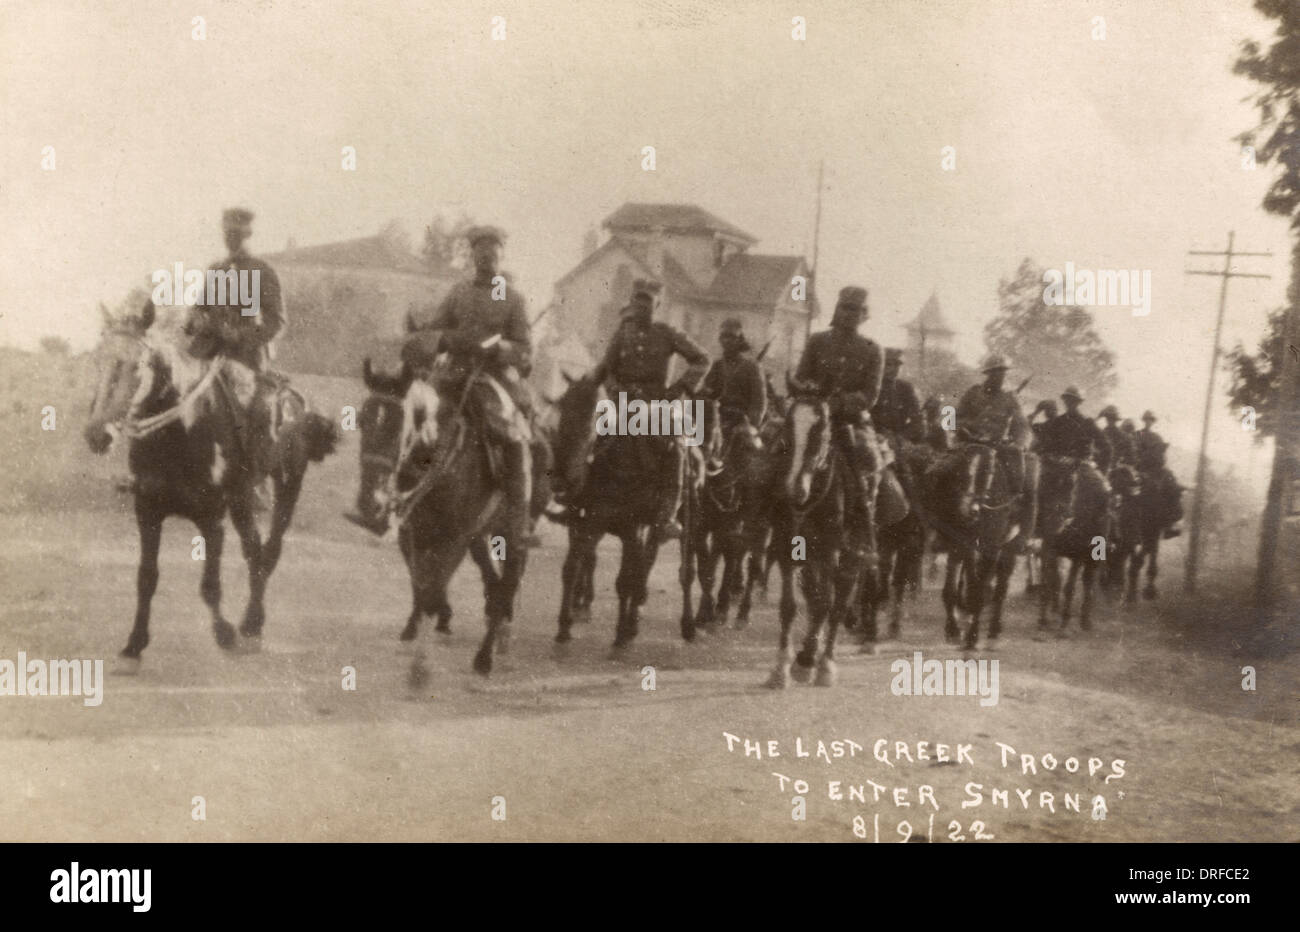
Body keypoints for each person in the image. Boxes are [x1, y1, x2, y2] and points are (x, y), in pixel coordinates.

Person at [403, 225, 533, 542]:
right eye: (481, 252)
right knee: (417, 417)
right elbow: (434, 330)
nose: (487, 258)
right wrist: (437, 339)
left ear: (502, 256)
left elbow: (525, 350)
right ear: (472, 255)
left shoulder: (512, 298)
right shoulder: (458, 292)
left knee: (510, 434)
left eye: (493, 252)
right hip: (453, 375)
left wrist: (498, 349)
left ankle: (518, 516)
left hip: (493, 379)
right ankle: (394, 499)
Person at [590, 278, 711, 539]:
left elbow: (702, 359)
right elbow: (606, 367)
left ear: (658, 304)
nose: (642, 306)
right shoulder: (623, 331)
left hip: (659, 404)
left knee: (676, 447)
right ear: (631, 302)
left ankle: (667, 515)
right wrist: (610, 388)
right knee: (590, 440)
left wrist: (679, 389)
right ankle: (579, 499)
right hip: (622, 402)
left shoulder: (668, 333)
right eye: (638, 300)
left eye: (648, 301)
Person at [183, 208, 286, 503]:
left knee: (261, 413)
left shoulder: (263, 272)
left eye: (237, 234)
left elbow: (277, 322)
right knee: (176, 397)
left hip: (246, 359)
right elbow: (198, 307)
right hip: (207, 354)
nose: (231, 239)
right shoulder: (215, 270)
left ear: (248, 235)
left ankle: (254, 482)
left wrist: (240, 335)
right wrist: (192, 321)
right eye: (227, 233)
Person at [789, 285, 885, 558]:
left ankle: (863, 528)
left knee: (867, 461)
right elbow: (801, 376)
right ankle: (765, 519)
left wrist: (839, 403)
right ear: (837, 309)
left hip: (850, 423)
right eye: (845, 308)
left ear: (865, 315)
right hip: (814, 415)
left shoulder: (872, 349)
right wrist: (809, 392)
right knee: (777, 448)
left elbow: (870, 395)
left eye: (856, 310)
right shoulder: (817, 341)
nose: (849, 314)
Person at [700, 317, 766, 446]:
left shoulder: (752, 367)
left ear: (740, 340)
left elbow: (759, 402)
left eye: (732, 337)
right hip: (716, 419)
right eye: (724, 337)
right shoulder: (716, 366)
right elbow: (705, 394)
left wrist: (750, 425)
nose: (727, 341)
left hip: (741, 422)